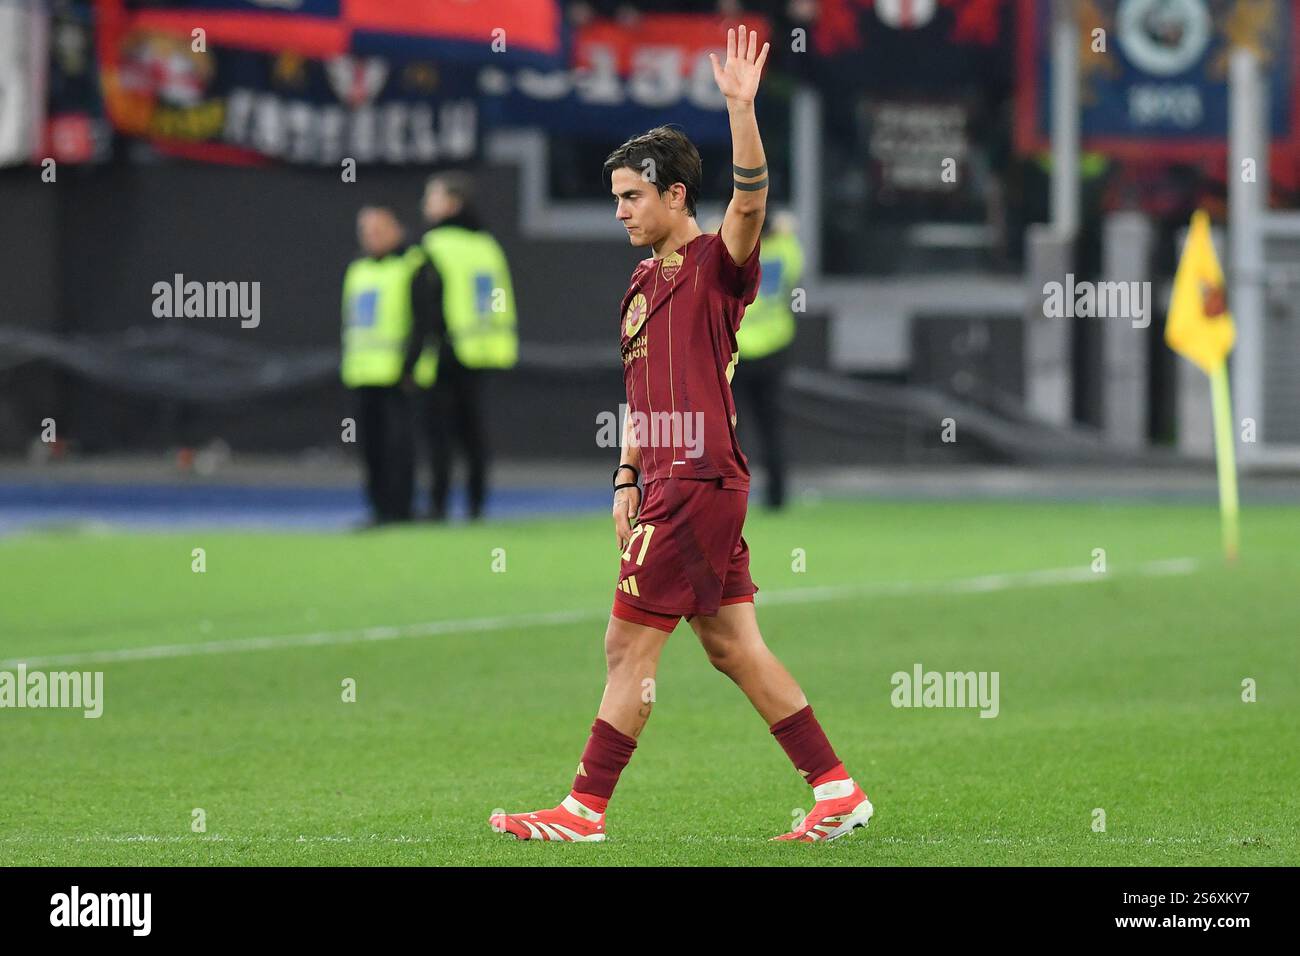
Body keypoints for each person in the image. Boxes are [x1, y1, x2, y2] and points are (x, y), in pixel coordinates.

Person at [489, 25, 872, 843]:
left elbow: (751, 200)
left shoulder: (714, 266)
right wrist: (626, 477)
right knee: (732, 644)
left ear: (673, 197)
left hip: (698, 479)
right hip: (669, 480)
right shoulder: (637, 283)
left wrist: (740, 109)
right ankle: (837, 789)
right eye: (618, 196)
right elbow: (639, 390)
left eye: (634, 195)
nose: (622, 210)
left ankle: (584, 809)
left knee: (626, 645)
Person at [411, 172, 518, 521]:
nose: (426, 204)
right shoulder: (487, 246)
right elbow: (500, 299)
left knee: (439, 435)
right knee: (474, 433)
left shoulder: (432, 246)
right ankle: (476, 507)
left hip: (445, 351)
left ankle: (438, 507)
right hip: (481, 351)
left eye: (432, 197)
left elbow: (426, 306)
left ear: (452, 203)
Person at [340, 206, 433, 526]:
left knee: (399, 447)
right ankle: (378, 509)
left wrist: (409, 366)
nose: (371, 237)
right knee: (371, 447)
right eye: (366, 231)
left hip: (398, 375)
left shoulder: (412, 265)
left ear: (397, 230)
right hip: (363, 372)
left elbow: (423, 321)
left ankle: (401, 509)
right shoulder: (358, 269)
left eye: (379, 230)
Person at [732, 212, 803, 509]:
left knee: (727, 431)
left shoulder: (732, 248)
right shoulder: (785, 250)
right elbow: (797, 262)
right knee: (771, 426)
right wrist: (783, 230)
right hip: (773, 348)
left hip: (736, 352)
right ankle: (777, 496)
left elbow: (705, 248)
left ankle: (727, 497)